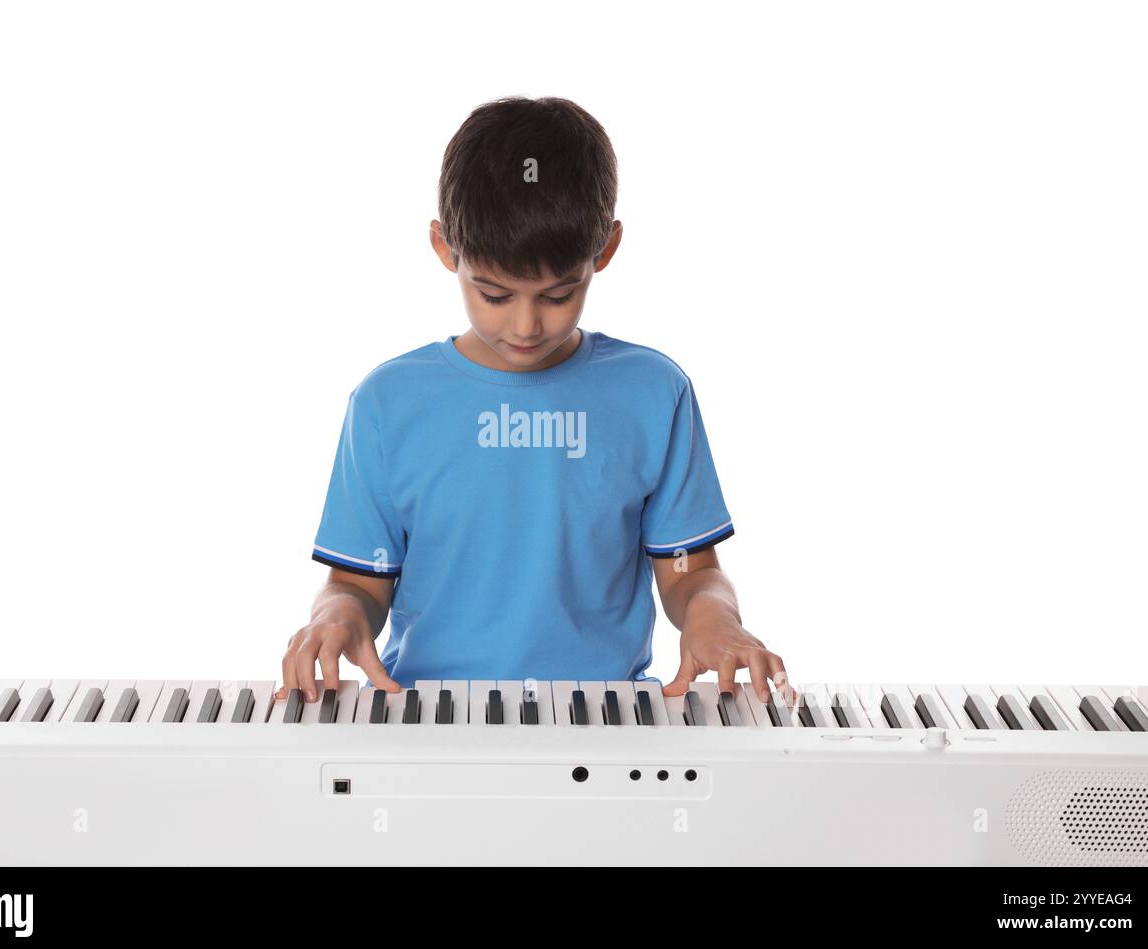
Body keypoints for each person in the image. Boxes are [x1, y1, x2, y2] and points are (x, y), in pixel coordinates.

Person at [278, 96, 790, 711]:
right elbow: (358, 581)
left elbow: (690, 569)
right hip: (424, 717)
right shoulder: (388, 403)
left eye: (558, 294)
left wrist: (716, 620)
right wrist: (336, 617)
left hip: (605, 719)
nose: (525, 325)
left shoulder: (655, 392)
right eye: (494, 294)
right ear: (445, 249)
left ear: (605, 249)